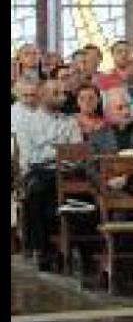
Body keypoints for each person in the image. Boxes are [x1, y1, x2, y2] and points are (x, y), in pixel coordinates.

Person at [17, 80, 83, 269]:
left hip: (67, 170)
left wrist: (54, 152)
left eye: (63, 92)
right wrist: (59, 152)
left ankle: (82, 248)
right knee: (38, 190)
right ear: (42, 95)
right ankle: (42, 248)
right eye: (56, 93)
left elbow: (77, 151)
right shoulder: (27, 122)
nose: (62, 97)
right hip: (39, 171)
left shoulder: (70, 121)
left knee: (84, 190)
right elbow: (30, 156)